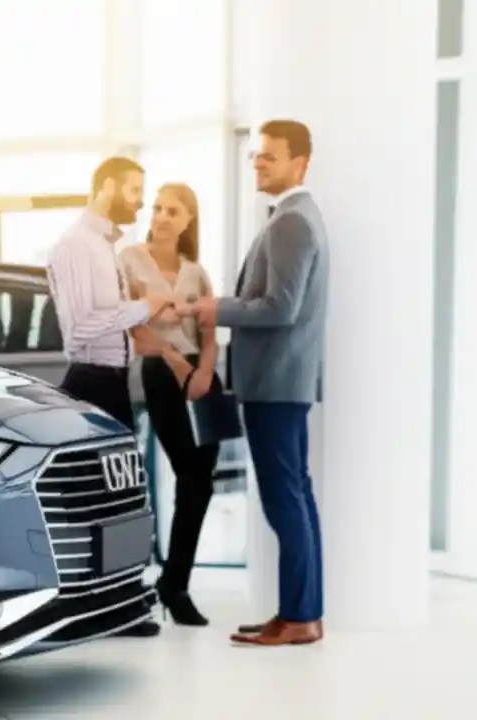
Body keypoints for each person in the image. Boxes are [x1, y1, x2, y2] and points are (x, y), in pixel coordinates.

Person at [182, 119, 329, 646]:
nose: (259, 163)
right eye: (256, 156)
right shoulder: (294, 218)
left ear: (300, 162)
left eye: (270, 156)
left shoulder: (291, 222)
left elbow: (279, 308)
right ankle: (301, 613)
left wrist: (213, 308)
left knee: (285, 499)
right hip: (283, 381)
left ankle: (298, 617)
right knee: (296, 496)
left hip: (276, 382)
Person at [46, 156, 176, 638]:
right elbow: (82, 328)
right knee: (102, 503)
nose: (141, 202)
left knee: (116, 501)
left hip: (111, 380)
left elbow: (108, 320)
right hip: (92, 382)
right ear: (104, 188)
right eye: (133, 190)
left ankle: (116, 604)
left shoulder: (101, 247)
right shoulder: (79, 246)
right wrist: (145, 305)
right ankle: (105, 608)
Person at [119, 182, 225, 627]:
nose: (161, 217)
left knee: (202, 481)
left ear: (188, 221)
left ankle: (175, 583)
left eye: (172, 211)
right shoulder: (129, 260)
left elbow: (210, 333)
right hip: (162, 373)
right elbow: (134, 329)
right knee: (186, 469)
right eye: (158, 208)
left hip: (201, 376)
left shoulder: (195, 270)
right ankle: (165, 585)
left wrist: (202, 373)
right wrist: (176, 362)